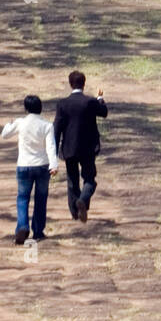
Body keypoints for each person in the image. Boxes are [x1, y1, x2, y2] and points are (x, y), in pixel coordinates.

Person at [1, 94, 57, 244]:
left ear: (26, 108)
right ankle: (38, 231)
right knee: (41, 198)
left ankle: (22, 226)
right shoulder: (47, 125)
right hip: (42, 165)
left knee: (23, 197)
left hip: (24, 165)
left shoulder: (21, 122)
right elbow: (51, 147)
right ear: (40, 108)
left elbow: (4, 135)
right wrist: (54, 165)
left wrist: (8, 123)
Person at [53, 71, 108, 223]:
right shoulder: (90, 102)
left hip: (69, 148)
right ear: (84, 84)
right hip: (88, 148)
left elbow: (56, 128)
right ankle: (83, 200)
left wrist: (54, 149)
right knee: (89, 179)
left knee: (72, 181)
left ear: (70, 84)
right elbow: (104, 112)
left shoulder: (62, 104)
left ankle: (75, 213)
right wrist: (100, 99)